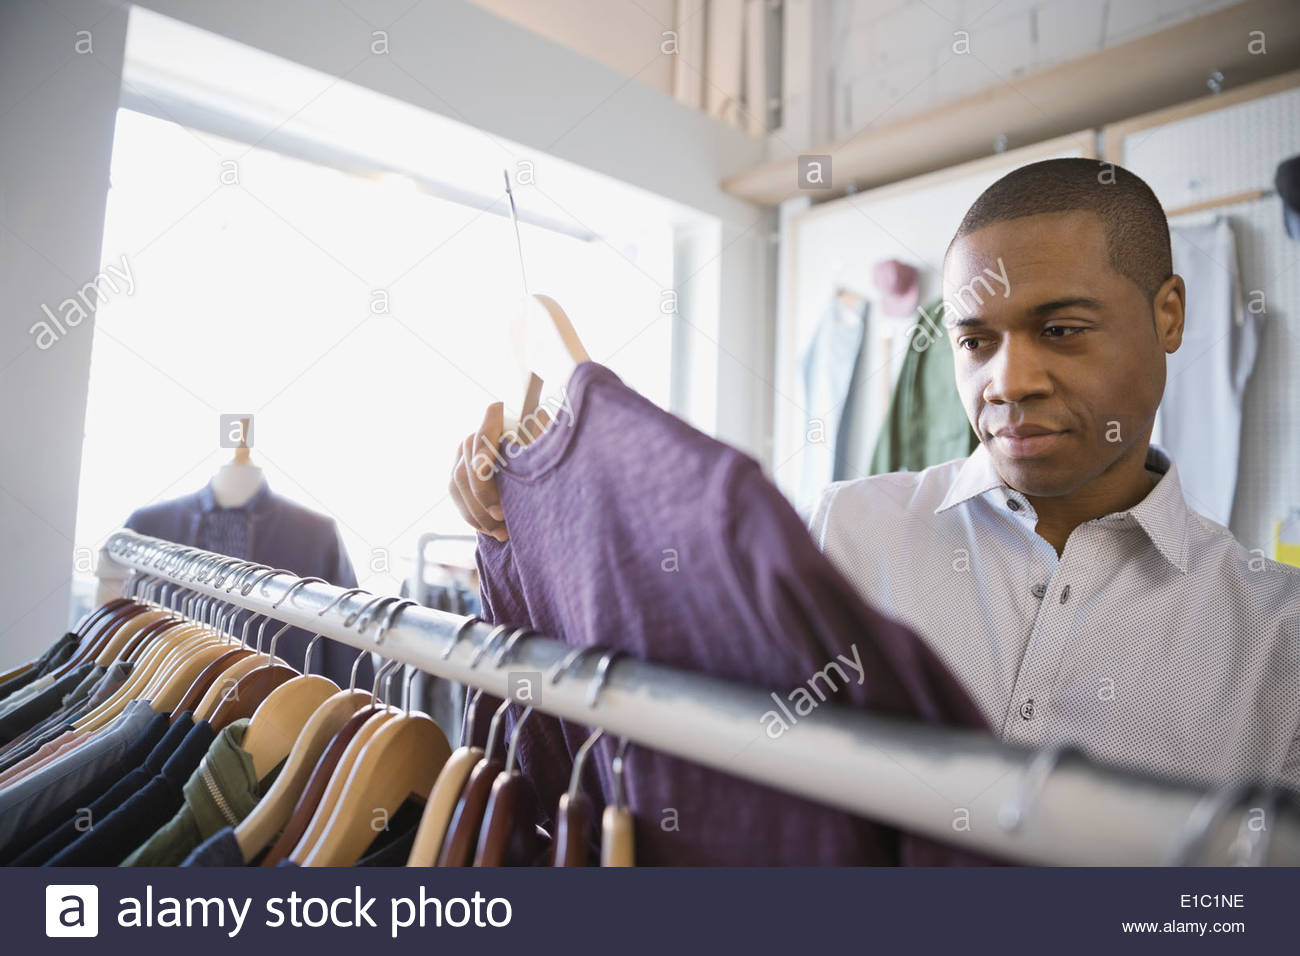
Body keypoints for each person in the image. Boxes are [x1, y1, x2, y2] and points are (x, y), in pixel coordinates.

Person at [448, 158, 1300, 792]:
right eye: (975, 341)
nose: (1008, 380)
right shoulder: (837, 533)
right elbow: (640, 690)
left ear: (1169, 315)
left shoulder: (1275, 641)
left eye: (1063, 330)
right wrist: (523, 520)